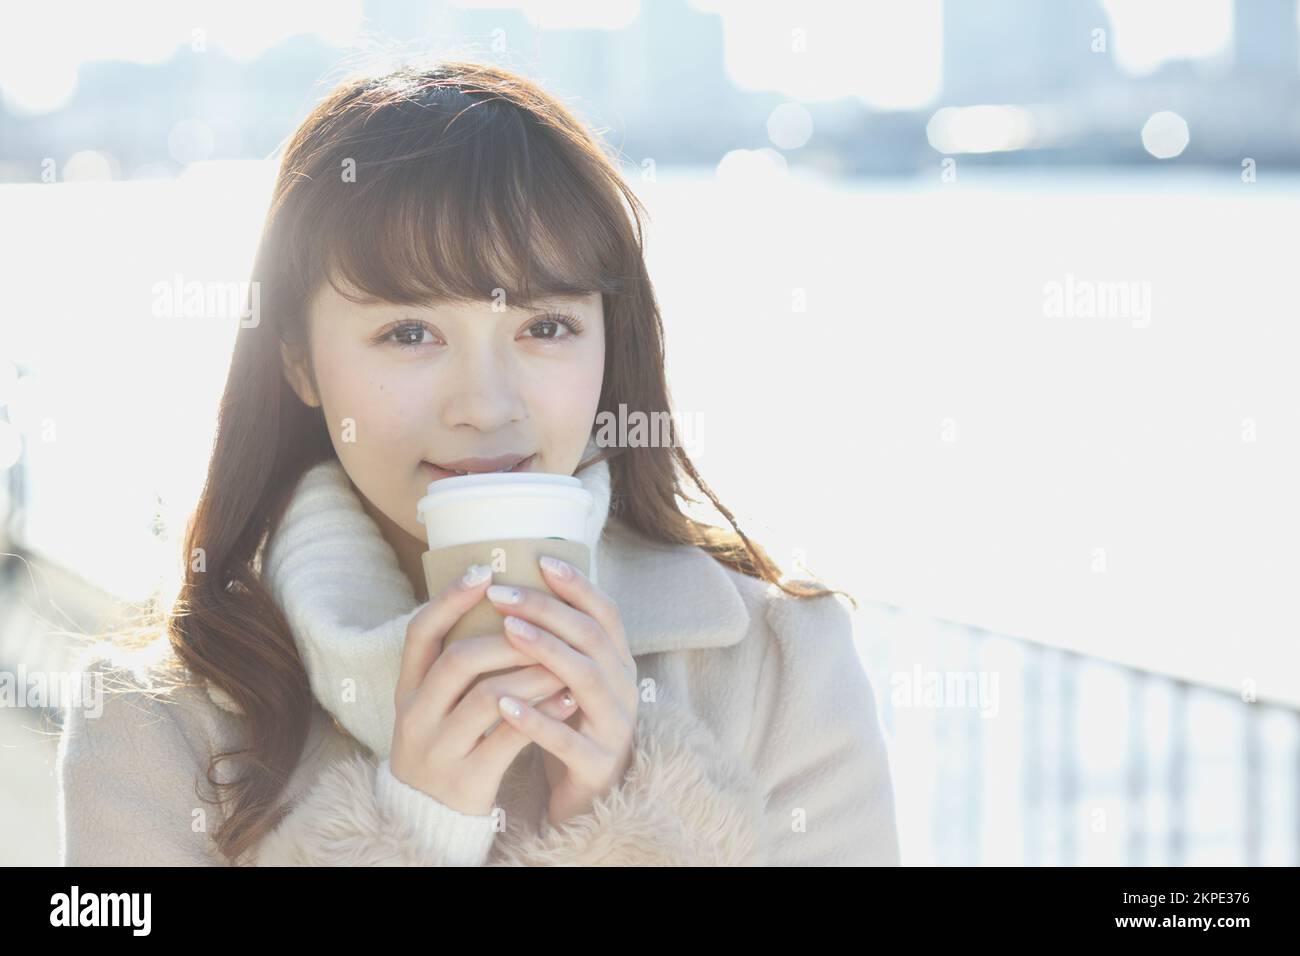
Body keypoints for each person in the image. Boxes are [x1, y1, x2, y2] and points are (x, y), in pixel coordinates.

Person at [56, 59, 901, 866]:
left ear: (614, 344)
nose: (487, 404)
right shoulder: (155, 723)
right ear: (298, 361)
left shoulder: (783, 664)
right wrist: (414, 830)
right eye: (410, 334)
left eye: (545, 328)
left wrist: (624, 829)